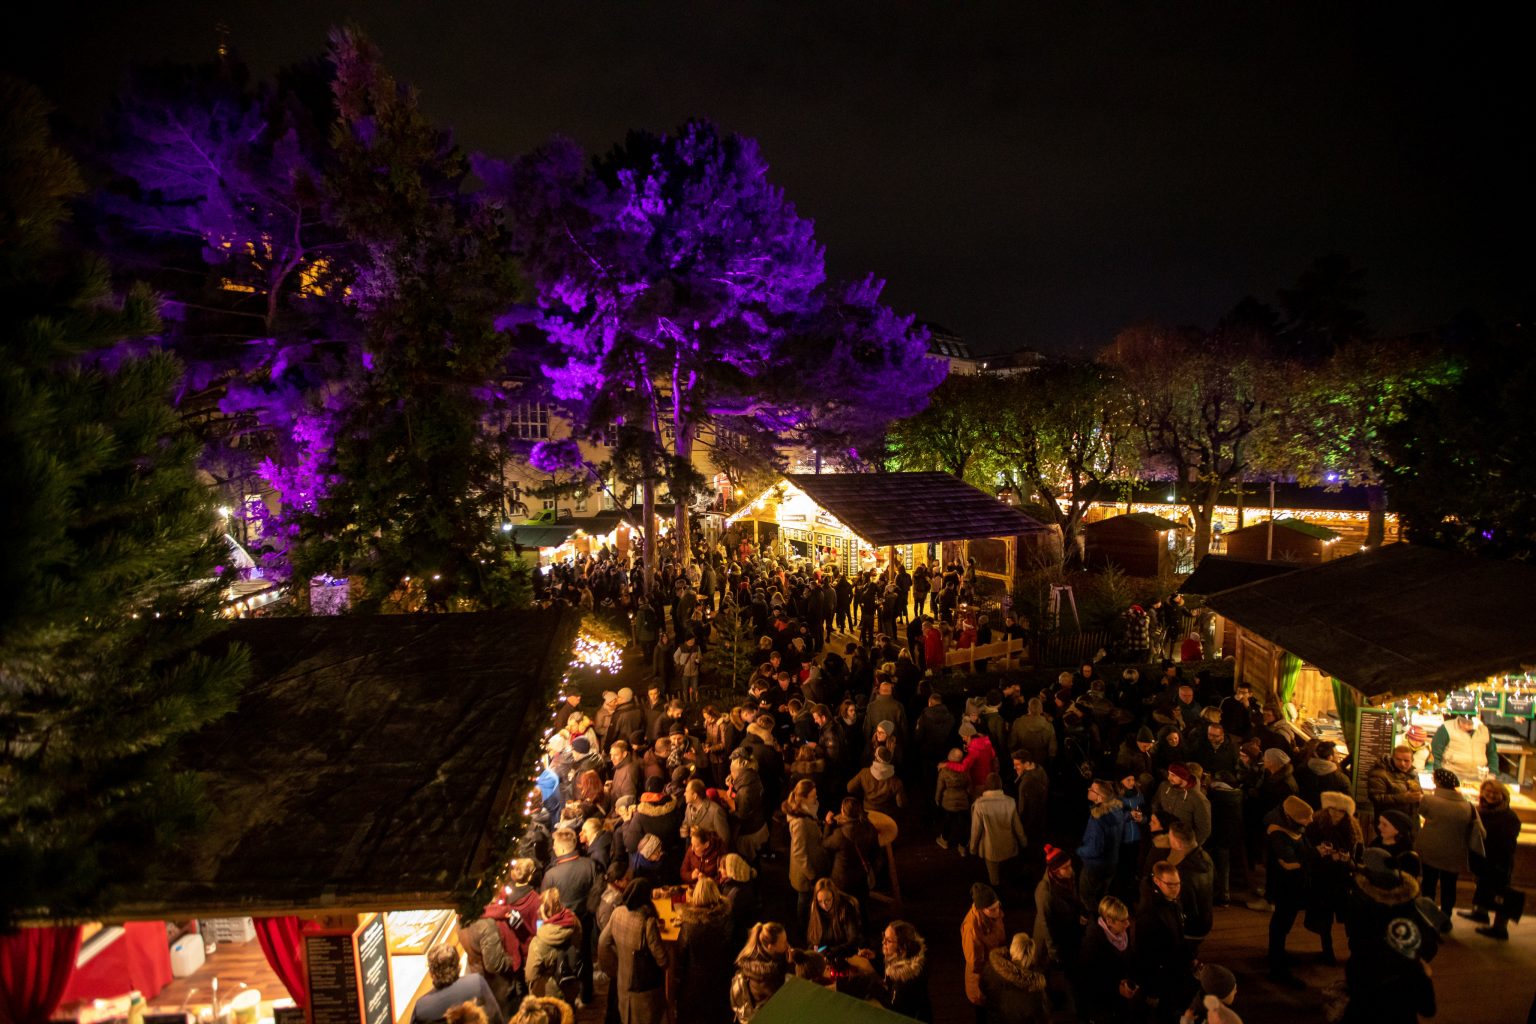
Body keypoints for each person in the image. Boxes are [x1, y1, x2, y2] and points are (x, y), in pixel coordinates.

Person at [596, 878, 668, 1024]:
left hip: (622, 981)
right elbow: (662, 959)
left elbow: (603, 943)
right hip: (644, 988)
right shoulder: (647, 923)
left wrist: (614, 967)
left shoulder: (617, 913)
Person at [1460, 777, 1523, 939]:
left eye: (1495, 793)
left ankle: (1500, 929)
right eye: (1487, 792)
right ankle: (1480, 912)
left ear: (1503, 795)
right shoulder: (1481, 810)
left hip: (1499, 860)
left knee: (1500, 893)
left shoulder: (1509, 816)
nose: (1491, 795)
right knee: (1483, 885)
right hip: (1483, 857)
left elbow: (1506, 841)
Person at [1303, 791, 1362, 965]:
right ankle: (1327, 952)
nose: (1335, 814)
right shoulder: (1315, 826)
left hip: (1343, 880)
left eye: (1341, 811)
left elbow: (1358, 859)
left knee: (1350, 920)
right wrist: (1321, 853)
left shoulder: (1352, 830)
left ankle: (1355, 953)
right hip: (1322, 878)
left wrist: (1346, 860)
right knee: (1324, 918)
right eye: (1332, 809)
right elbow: (1308, 851)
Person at [1265, 796, 1313, 988]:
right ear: (1292, 817)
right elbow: (1289, 862)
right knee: (1281, 922)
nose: (1310, 821)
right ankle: (1277, 968)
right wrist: (1313, 861)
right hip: (1284, 886)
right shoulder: (1278, 834)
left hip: (1292, 885)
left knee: (1284, 922)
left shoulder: (1293, 826)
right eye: (1305, 818)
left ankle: (1278, 953)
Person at [675, 878, 735, 1024]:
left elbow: (681, 954)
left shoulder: (690, 925)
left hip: (695, 982)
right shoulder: (727, 918)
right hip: (721, 978)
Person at [1416, 767, 1474, 918]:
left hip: (1432, 849)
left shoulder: (1429, 800)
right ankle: (1446, 916)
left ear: (1438, 782)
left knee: (1429, 882)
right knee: (1449, 885)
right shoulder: (1467, 805)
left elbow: (1422, 813)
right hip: (1455, 851)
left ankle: (1427, 914)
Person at [1076, 896, 1137, 1024]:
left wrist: (1132, 981)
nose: (1128, 924)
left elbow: (1129, 961)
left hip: (1121, 1002)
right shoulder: (1093, 942)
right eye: (1123, 921)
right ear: (1109, 921)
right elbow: (1089, 979)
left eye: (1127, 919)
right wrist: (1117, 988)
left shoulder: (1123, 934)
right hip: (1103, 1006)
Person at [413, 943, 506, 1024]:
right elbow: (494, 1016)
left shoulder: (421, 1007)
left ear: (431, 973)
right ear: (458, 965)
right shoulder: (476, 982)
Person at [1033, 846, 1088, 982]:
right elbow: (1046, 924)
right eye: (1066, 867)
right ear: (1055, 871)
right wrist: (1053, 953)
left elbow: (1074, 896)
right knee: (1050, 971)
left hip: (1067, 928)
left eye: (1070, 865)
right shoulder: (1044, 892)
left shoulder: (1069, 875)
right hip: (1053, 938)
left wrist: (1079, 912)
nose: (1071, 870)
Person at [783, 779, 828, 928]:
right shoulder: (799, 822)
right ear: (803, 798)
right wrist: (811, 875)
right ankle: (802, 927)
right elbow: (799, 852)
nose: (816, 798)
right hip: (805, 873)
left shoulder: (806, 810)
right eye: (813, 796)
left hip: (809, 864)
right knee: (804, 899)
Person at [970, 773, 1028, 886]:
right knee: (1010, 873)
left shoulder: (980, 804)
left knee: (994, 878)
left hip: (990, 848)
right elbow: (1017, 826)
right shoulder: (1010, 801)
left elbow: (976, 830)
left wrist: (973, 848)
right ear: (1001, 785)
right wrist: (1023, 841)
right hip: (1009, 844)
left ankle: (997, 892)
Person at [524, 888, 582, 1002]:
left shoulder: (538, 942)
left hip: (549, 992)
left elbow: (531, 975)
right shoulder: (574, 921)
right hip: (570, 984)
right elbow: (578, 944)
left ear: (543, 910)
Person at [979, 932, 1049, 1024]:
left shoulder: (990, 969)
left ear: (1012, 948)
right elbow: (1042, 1018)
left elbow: (982, 988)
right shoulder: (1035, 991)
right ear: (1031, 956)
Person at [1077, 780, 1124, 914]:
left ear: (1100, 798)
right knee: (1103, 894)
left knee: (1088, 897)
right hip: (1111, 862)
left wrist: (1080, 851)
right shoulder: (1116, 811)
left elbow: (1094, 849)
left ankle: (1096, 922)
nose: (1088, 790)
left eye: (1092, 789)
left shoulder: (1098, 819)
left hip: (1094, 866)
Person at [729, 921, 791, 1023]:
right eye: (784, 942)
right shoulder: (765, 976)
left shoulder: (760, 955)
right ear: (771, 947)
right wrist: (790, 966)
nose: (787, 944)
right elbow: (784, 997)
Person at [962, 883, 1008, 1020]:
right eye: (992, 909)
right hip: (981, 983)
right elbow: (975, 963)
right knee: (983, 1015)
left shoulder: (993, 915)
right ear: (982, 909)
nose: (997, 911)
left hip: (995, 973)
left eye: (998, 906)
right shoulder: (972, 929)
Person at [874, 920, 932, 1022]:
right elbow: (889, 972)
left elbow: (894, 1008)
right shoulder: (905, 956)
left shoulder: (904, 979)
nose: (883, 942)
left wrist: (874, 989)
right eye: (884, 936)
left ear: (902, 948)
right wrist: (874, 959)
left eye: (888, 940)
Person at [1366, 744, 1424, 842]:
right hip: (1390, 826)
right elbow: (1376, 798)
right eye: (1398, 759)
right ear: (1392, 758)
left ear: (1412, 761)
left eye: (1406, 761)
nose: (1402, 764)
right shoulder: (1379, 773)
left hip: (1410, 825)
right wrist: (1403, 798)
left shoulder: (1412, 774)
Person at [1429, 713, 1499, 781]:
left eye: (1470, 723)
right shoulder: (1446, 728)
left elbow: (1492, 753)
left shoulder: (1484, 730)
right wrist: (1438, 773)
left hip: (1478, 778)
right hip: (1451, 777)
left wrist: (1493, 772)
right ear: (1458, 717)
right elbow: (1435, 753)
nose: (1466, 726)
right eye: (1463, 722)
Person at [806, 877, 864, 957]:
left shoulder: (846, 908)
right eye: (820, 901)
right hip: (825, 956)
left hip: (844, 955)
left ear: (834, 896)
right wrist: (814, 953)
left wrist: (832, 952)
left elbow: (854, 941)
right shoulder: (815, 908)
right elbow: (812, 940)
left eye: (828, 900)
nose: (824, 905)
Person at [936, 747, 974, 853]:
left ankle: (944, 840)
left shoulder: (944, 771)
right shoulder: (965, 770)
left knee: (947, 821)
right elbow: (970, 787)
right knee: (963, 824)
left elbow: (940, 787)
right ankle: (962, 846)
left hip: (948, 801)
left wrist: (937, 798)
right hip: (963, 801)